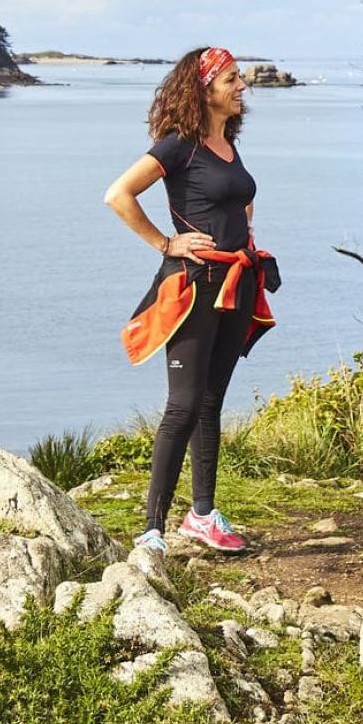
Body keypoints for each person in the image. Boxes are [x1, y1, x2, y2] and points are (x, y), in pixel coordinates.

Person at [105, 46, 276, 557]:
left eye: (239, 78)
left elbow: (240, 200)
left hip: (237, 284)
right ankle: (151, 530)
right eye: (231, 79)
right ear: (203, 89)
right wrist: (165, 242)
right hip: (194, 285)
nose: (241, 86)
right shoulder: (179, 145)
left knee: (210, 403)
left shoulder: (227, 142)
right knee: (182, 405)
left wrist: (245, 240)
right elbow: (118, 194)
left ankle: (202, 515)